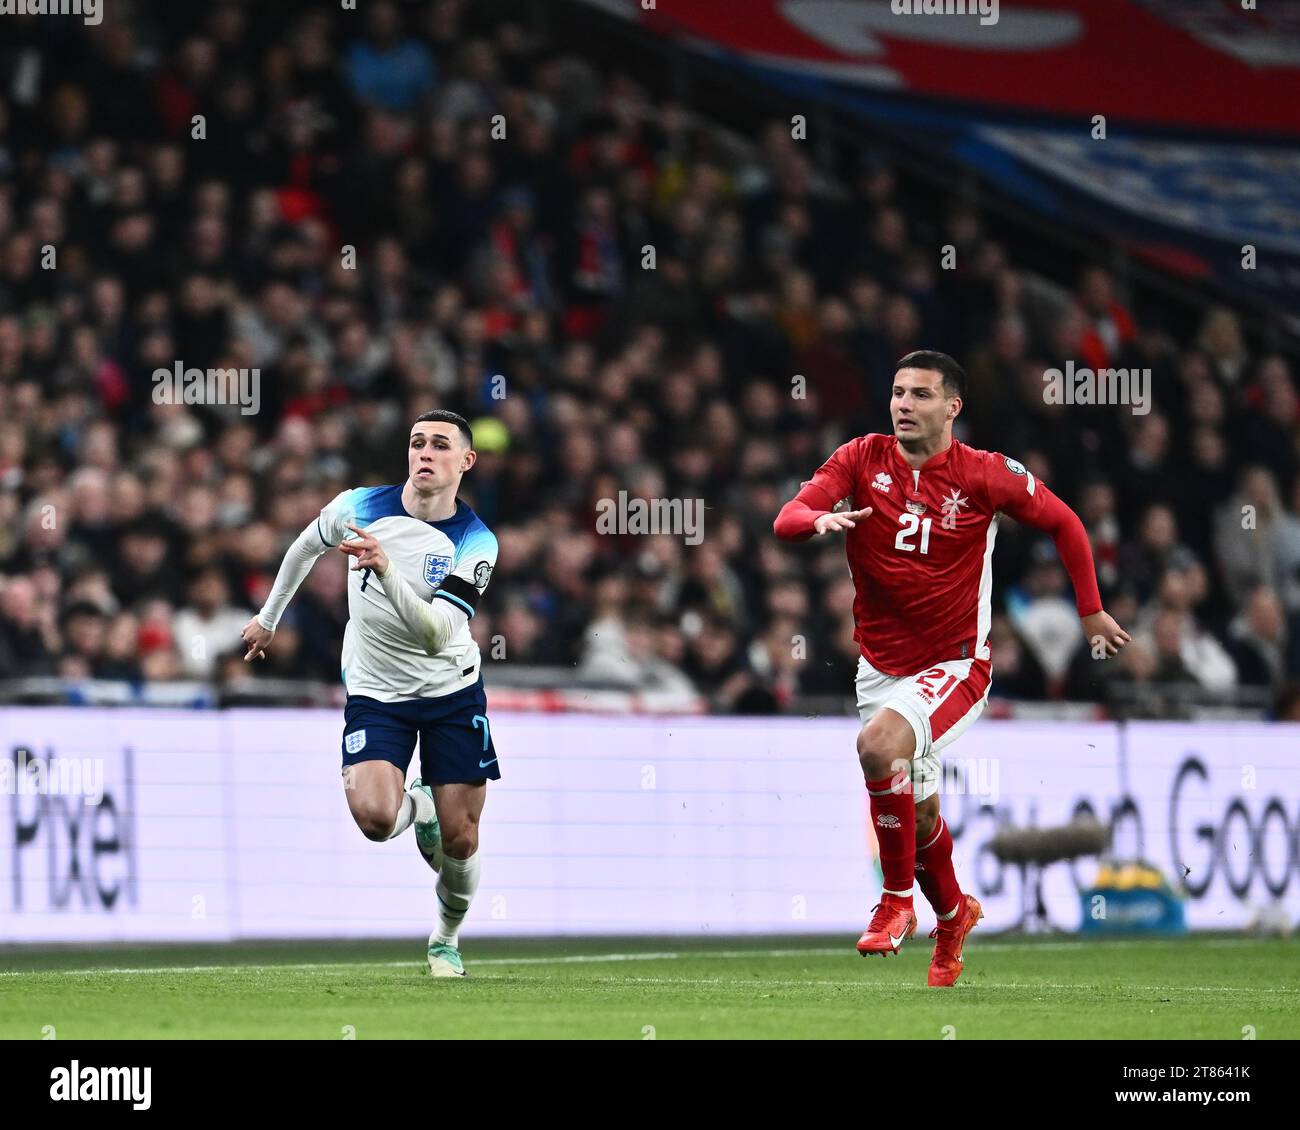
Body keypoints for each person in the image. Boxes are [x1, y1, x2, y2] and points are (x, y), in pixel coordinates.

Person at [774, 351, 1129, 986]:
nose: (903, 405)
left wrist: (1092, 611)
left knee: (877, 747)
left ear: (952, 406)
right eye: (896, 392)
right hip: (881, 668)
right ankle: (955, 914)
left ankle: (895, 902)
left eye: (919, 395)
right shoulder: (860, 458)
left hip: (956, 662)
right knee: (924, 815)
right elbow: (787, 518)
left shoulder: (984, 475)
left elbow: (1066, 523)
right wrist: (818, 518)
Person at [240, 409, 499, 977]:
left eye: (439, 446)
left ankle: (445, 941)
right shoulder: (358, 506)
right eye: (416, 443)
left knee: (460, 840)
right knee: (377, 818)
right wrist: (269, 618)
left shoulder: (476, 543)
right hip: (377, 692)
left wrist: (385, 570)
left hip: (450, 691)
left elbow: (435, 637)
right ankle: (419, 805)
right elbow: (304, 547)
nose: (425, 453)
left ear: (466, 461)